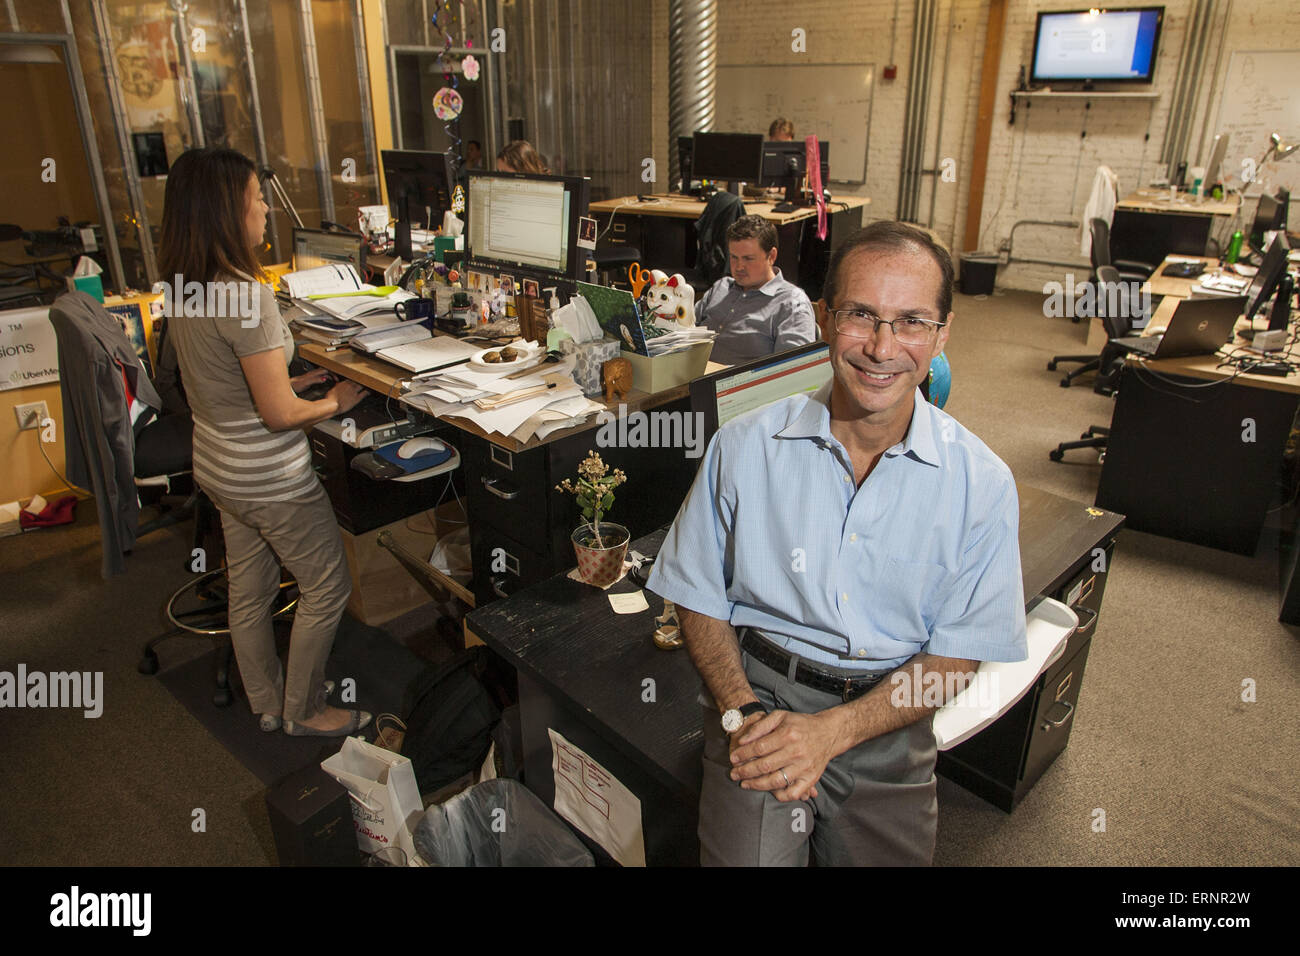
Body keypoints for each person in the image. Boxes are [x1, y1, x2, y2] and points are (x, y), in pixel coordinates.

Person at [647, 220, 1028, 866]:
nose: (882, 347)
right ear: (824, 318)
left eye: (911, 321)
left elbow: (958, 659)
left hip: (888, 720)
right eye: (860, 314)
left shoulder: (982, 484)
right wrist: (742, 715)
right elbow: (695, 594)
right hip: (759, 701)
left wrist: (834, 733)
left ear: (941, 335)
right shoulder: (743, 448)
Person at [158, 147, 372, 737]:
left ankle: (268, 705)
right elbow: (278, 415)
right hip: (267, 476)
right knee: (327, 583)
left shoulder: (184, 287)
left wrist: (293, 379)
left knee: (248, 591)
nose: (263, 212)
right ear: (227, 212)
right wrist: (333, 402)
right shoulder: (246, 295)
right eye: (256, 200)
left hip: (219, 469)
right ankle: (305, 711)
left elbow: (223, 380)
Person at [695, 215, 816, 366]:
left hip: (739, 386)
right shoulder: (721, 287)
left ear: (771, 256)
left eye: (748, 258)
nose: (739, 267)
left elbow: (792, 372)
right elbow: (683, 330)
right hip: (690, 378)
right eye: (734, 257)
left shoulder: (791, 303)